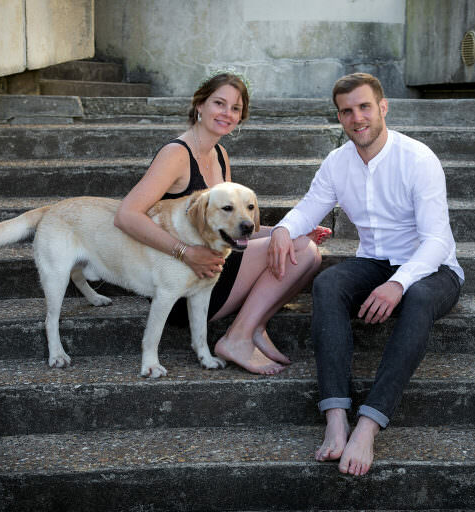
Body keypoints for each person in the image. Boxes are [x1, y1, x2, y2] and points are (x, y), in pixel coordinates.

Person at [268, 73, 464, 475]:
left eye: (364, 107)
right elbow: (310, 206)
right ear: (339, 116)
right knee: (328, 283)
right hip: (375, 260)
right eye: (346, 111)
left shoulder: (418, 159)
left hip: (433, 268)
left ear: (382, 107)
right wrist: (285, 229)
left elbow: (437, 241)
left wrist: (399, 283)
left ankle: (369, 424)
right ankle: (336, 417)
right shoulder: (338, 162)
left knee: (420, 298)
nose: (357, 118)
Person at [114, 71, 329, 375]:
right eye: (219, 103)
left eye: (235, 108)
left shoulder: (219, 153)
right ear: (199, 104)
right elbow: (126, 215)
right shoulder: (176, 154)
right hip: (183, 282)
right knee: (302, 252)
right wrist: (183, 252)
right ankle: (237, 338)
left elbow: (233, 229)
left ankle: (254, 326)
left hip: (214, 270)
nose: (227, 113)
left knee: (308, 253)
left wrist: (285, 231)